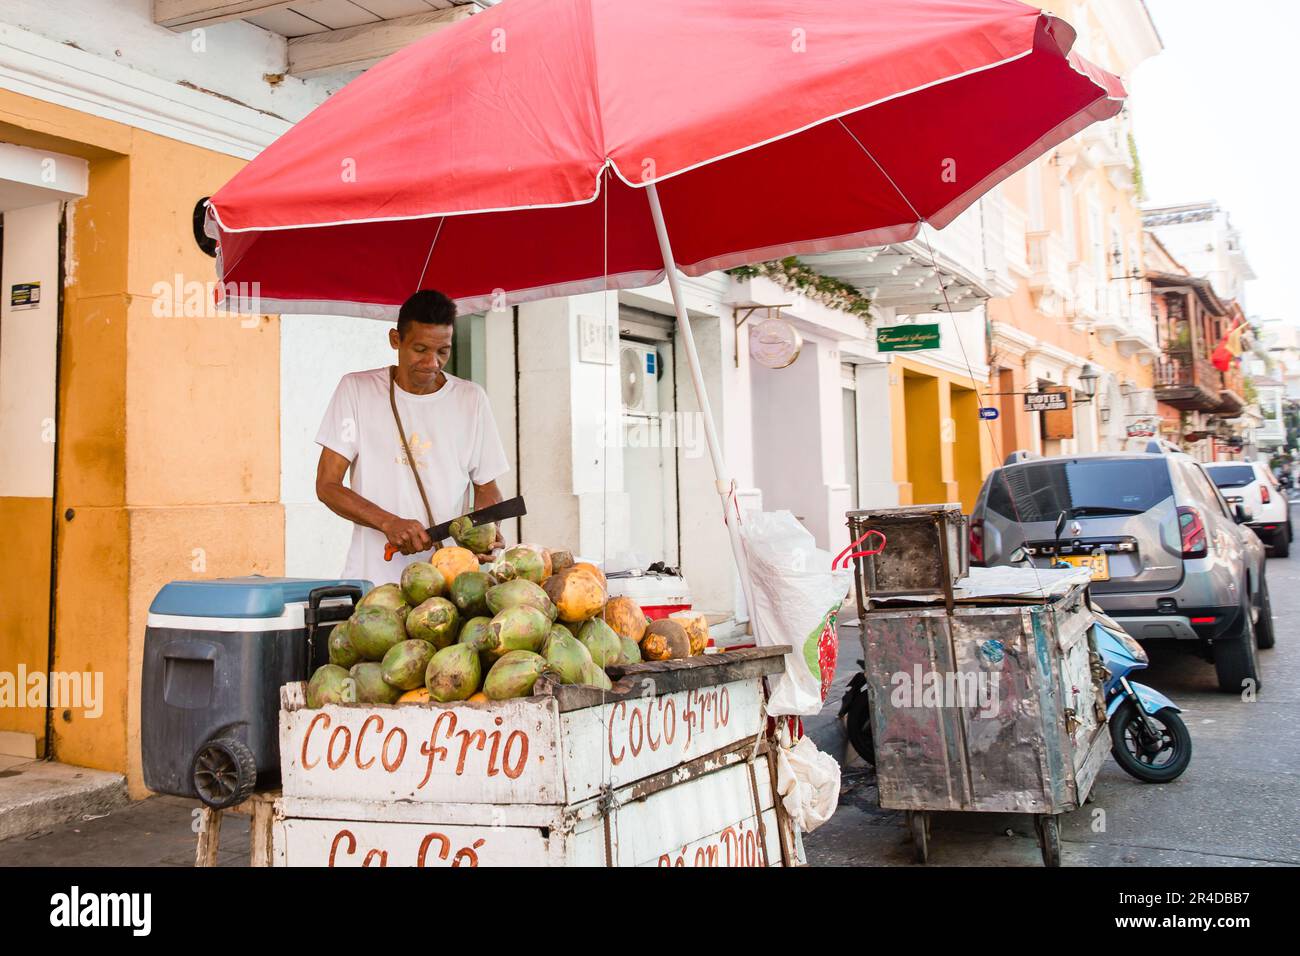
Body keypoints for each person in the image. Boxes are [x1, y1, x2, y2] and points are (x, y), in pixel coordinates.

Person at [315, 290, 509, 586]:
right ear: (396, 340)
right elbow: (327, 485)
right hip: (373, 580)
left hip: (449, 582)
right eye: (420, 349)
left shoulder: (471, 399)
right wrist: (387, 522)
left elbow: (487, 488)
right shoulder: (356, 390)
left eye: (443, 351)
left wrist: (484, 529)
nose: (432, 362)